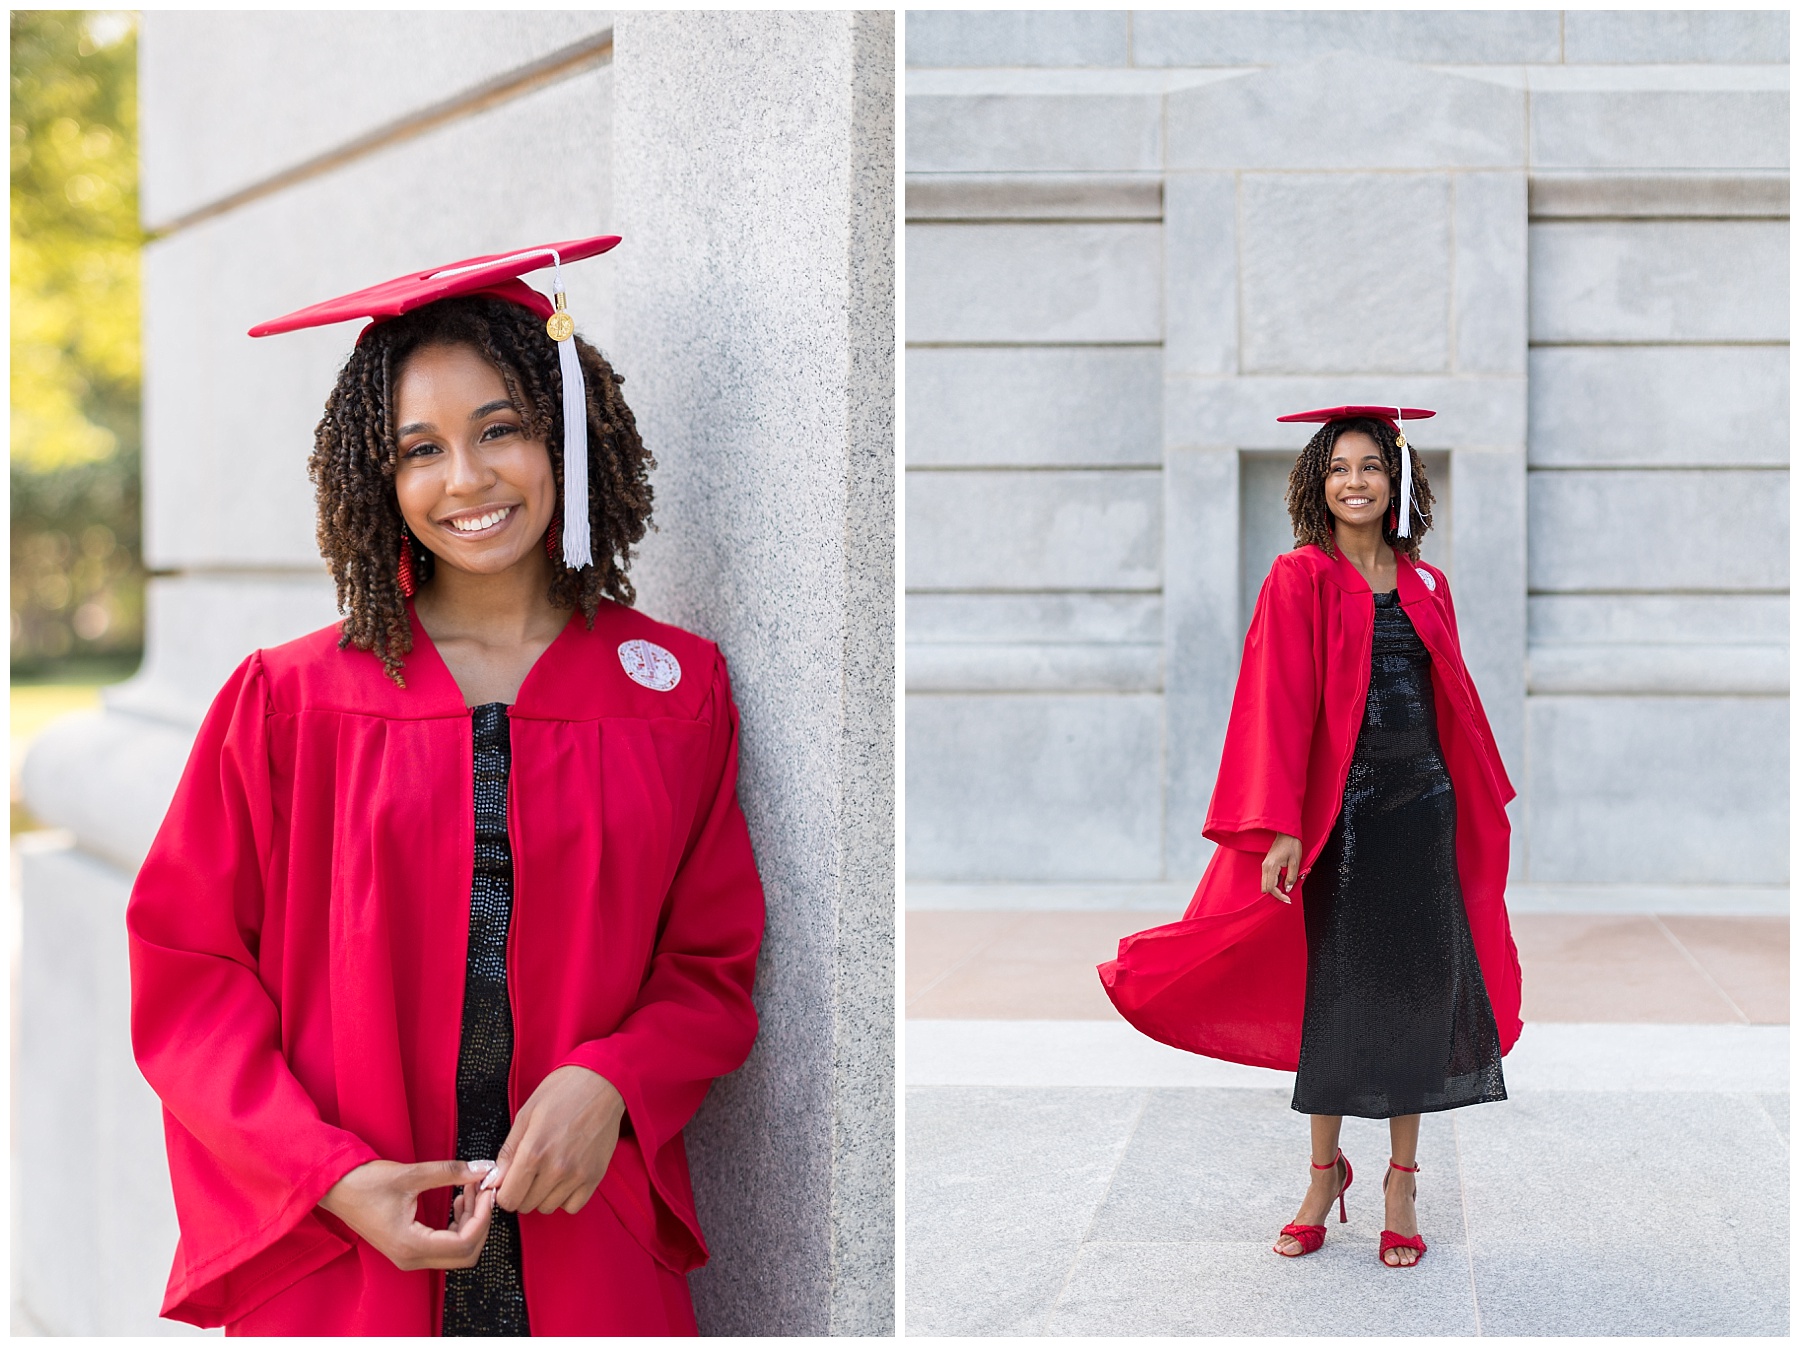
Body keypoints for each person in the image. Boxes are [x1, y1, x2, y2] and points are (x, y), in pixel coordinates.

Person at [126, 237, 766, 1333]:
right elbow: (190, 981)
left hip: (585, 1243)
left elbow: (709, 968)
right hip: (347, 1256)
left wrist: (614, 1082)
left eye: (500, 430)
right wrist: (326, 1175)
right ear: (380, 479)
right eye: (420, 449)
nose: (465, 480)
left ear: (565, 431)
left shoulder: (671, 689)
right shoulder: (287, 703)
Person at [1099, 406, 1521, 1270]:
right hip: (1344, 816)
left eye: (1372, 466)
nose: (1356, 481)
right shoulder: (1301, 577)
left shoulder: (1428, 584)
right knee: (1336, 992)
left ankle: (1402, 1180)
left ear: (1397, 480)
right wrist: (1281, 827)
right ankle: (1325, 1172)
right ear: (1316, 484)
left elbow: (1454, 707)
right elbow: (1276, 704)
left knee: (1416, 991)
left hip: (1424, 808)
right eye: (1339, 468)